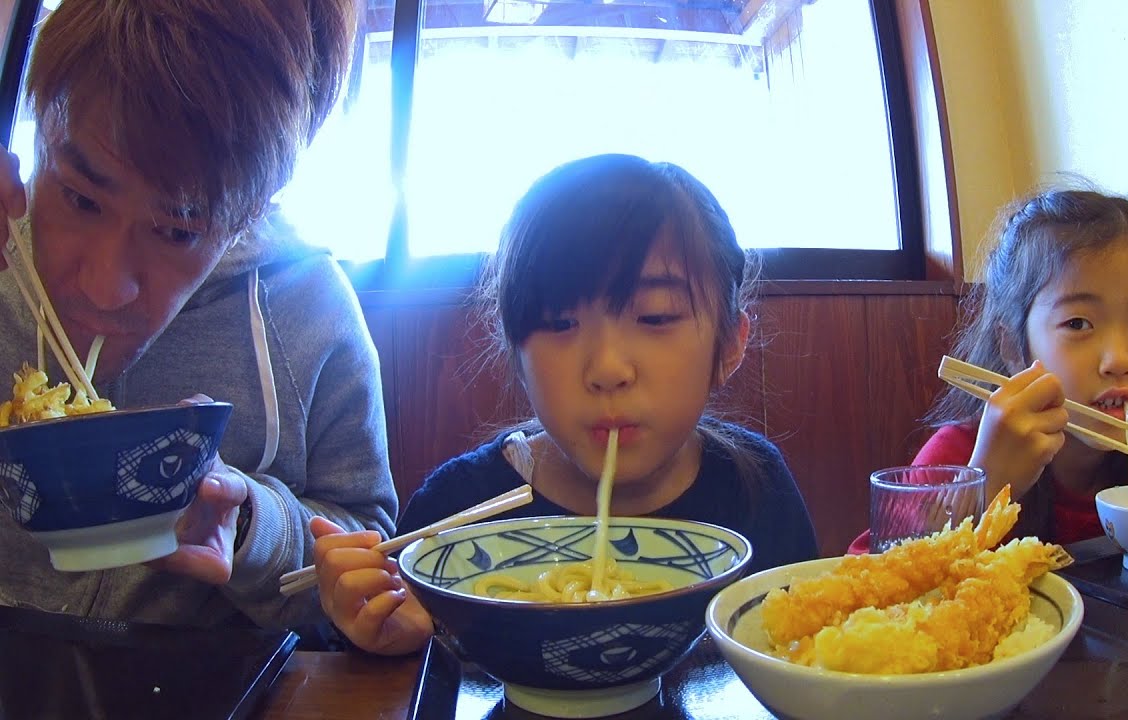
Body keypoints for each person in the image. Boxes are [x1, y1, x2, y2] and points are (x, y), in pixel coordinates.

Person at [312, 153, 819, 655]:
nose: (606, 370)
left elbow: (805, 656)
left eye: (656, 317)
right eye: (558, 322)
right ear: (515, 351)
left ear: (730, 343)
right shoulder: (456, 512)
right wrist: (380, 634)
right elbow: (393, 657)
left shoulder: (756, 491)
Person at [0, 0, 398, 631]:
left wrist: (248, 524)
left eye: (177, 230)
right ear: (41, 124)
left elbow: (366, 547)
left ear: (250, 210)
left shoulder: (308, 309)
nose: (106, 288)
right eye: (79, 197)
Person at [848, 188, 1128, 553]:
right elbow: (869, 585)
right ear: (1012, 347)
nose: (1119, 361)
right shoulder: (958, 454)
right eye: (1077, 324)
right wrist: (986, 483)